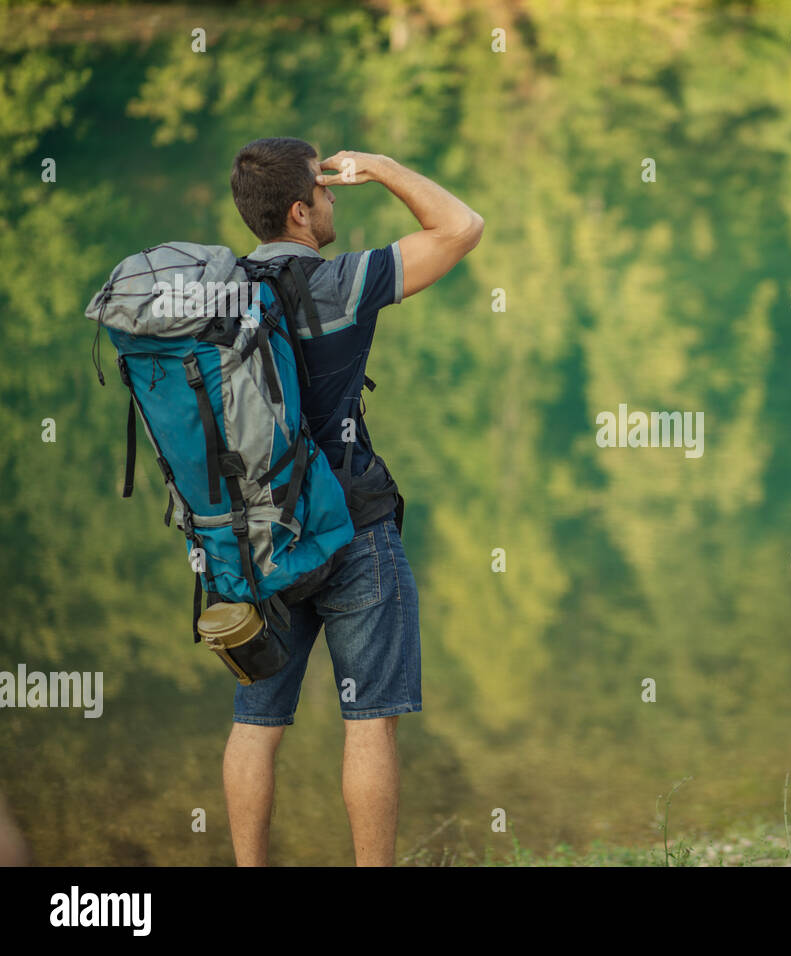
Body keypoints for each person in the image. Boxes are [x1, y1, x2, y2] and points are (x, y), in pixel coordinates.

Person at [222, 138, 483, 866]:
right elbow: (461, 227)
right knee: (368, 722)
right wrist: (384, 167)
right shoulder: (341, 283)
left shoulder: (220, 297)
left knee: (256, 721)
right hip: (350, 531)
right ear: (302, 211)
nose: (338, 197)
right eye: (327, 190)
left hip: (254, 540)